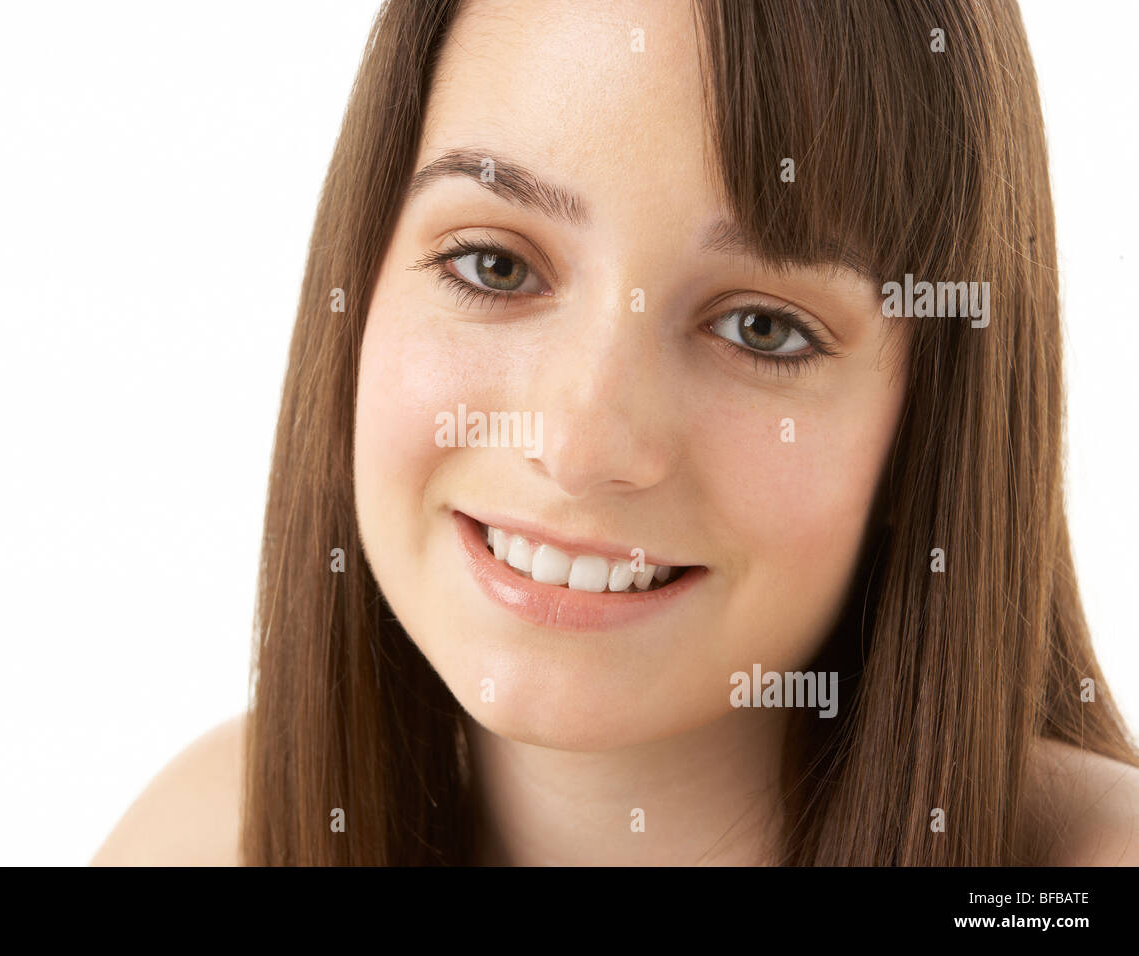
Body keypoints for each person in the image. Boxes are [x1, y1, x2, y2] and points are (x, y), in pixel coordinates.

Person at [92, 0, 1139, 867]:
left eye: (760, 327)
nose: (580, 443)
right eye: (494, 265)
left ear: (936, 416)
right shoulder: (200, 838)